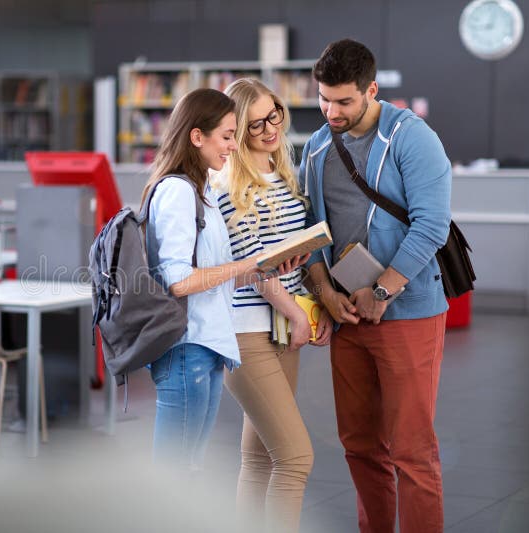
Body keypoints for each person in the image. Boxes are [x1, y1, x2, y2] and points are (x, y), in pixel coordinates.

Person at [299, 39, 452, 533]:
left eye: (344, 101)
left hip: (407, 312)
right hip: (347, 315)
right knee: (361, 446)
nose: (331, 110)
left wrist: (382, 291)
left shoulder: (413, 137)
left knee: (412, 450)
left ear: (372, 89)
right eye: (324, 98)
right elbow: (310, 229)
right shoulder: (317, 145)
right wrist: (324, 292)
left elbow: (432, 226)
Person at [143, 88, 306, 470]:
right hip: (186, 347)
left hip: (206, 345)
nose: (234, 146)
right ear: (197, 137)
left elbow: (210, 274)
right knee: (173, 476)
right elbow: (178, 280)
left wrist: (255, 269)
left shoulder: (200, 191)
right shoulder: (178, 191)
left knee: (188, 469)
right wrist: (245, 264)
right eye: (228, 135)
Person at [210, 77, 332, 533]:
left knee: (259, 458)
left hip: (282, 325)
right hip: (248, 330)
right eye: (255, 123)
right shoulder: (226, 183)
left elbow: (279, 256)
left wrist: (304, 303)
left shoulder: (283, 175)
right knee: (297, 457)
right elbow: (254, 266)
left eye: (274, 114)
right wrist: (298, 313)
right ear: (236, 130)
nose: (269, 128)